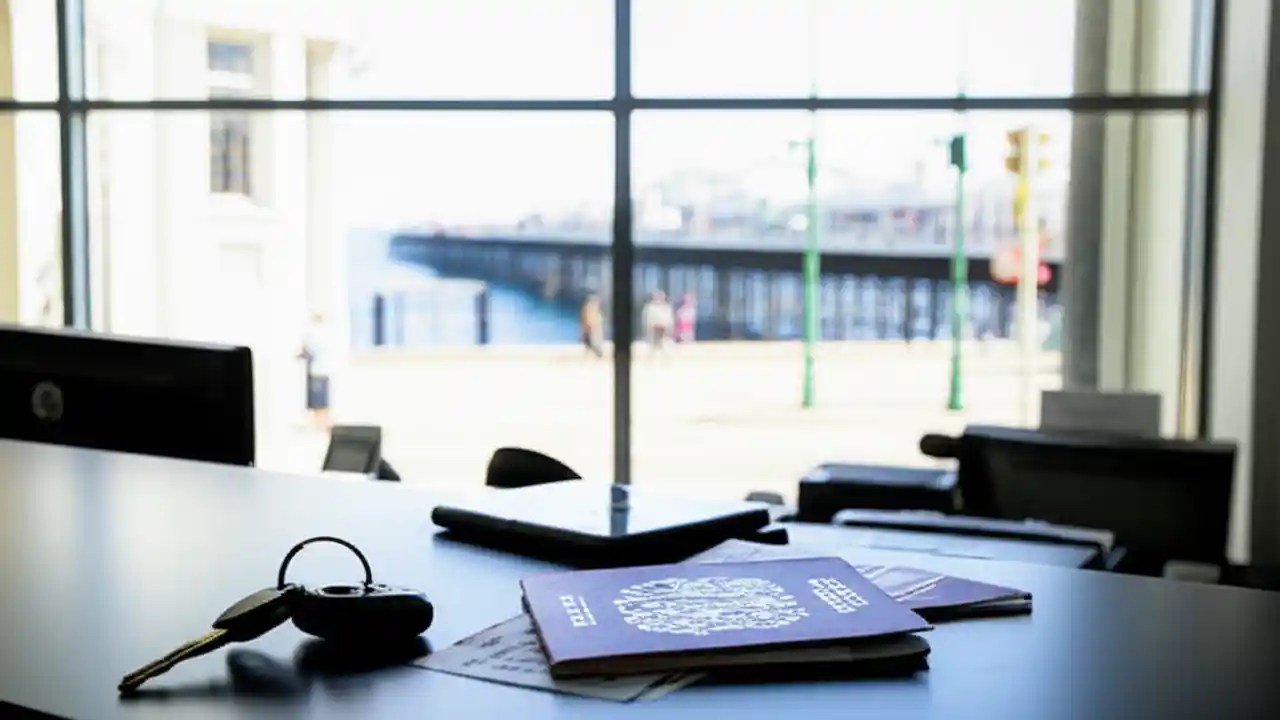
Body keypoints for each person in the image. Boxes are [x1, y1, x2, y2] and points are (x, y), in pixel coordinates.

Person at [298, 313, 333, 430]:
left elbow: (308, 350)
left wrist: (302, 351)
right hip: (324, 370)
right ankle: (323, 423)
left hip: (317, 371)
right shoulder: (327, 333)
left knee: (318, 400)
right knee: (322, 399)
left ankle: (320, 424)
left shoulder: (315, 334)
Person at [640, 290, 674, 358]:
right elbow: (647, 318)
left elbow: (669, 318)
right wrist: (647, 327)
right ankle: (650, 357)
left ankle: (665, 358)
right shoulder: (650, 306)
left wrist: (669, 328)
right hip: (653, 327)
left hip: (663, 327)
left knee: (664, 343)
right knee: (652, 344)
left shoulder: (666, 307)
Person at [580, 294, 604, 358]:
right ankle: (594, 352)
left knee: (593, 341)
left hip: (592, 328)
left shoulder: (590, 308)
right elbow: (585, 319)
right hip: (590, 328)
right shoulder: (588, 308)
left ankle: (596, 352)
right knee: (591, 341)